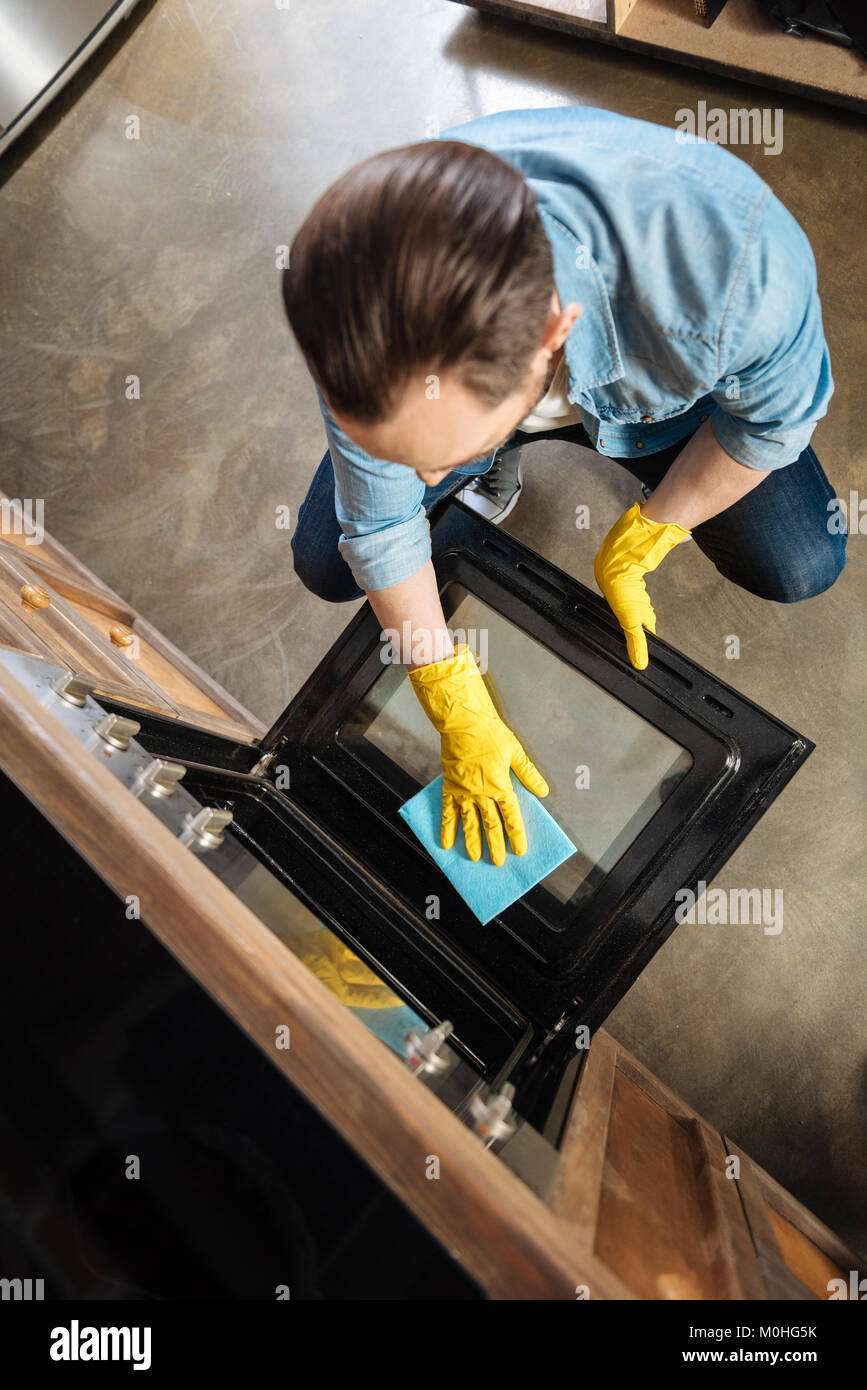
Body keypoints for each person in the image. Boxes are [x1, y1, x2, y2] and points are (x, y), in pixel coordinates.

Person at [282, 106, 844, 869]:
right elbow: (379, 530)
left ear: (551, 334)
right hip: (508, 388)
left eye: (444, 458)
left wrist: (651, 532)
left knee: (802, 561)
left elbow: (768, 430)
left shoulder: (738, 276)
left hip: (663, 396)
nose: (420, 485)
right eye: (414, 456)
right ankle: (490, 459)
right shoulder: (362, 294)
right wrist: (446, 691)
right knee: (327, 559)